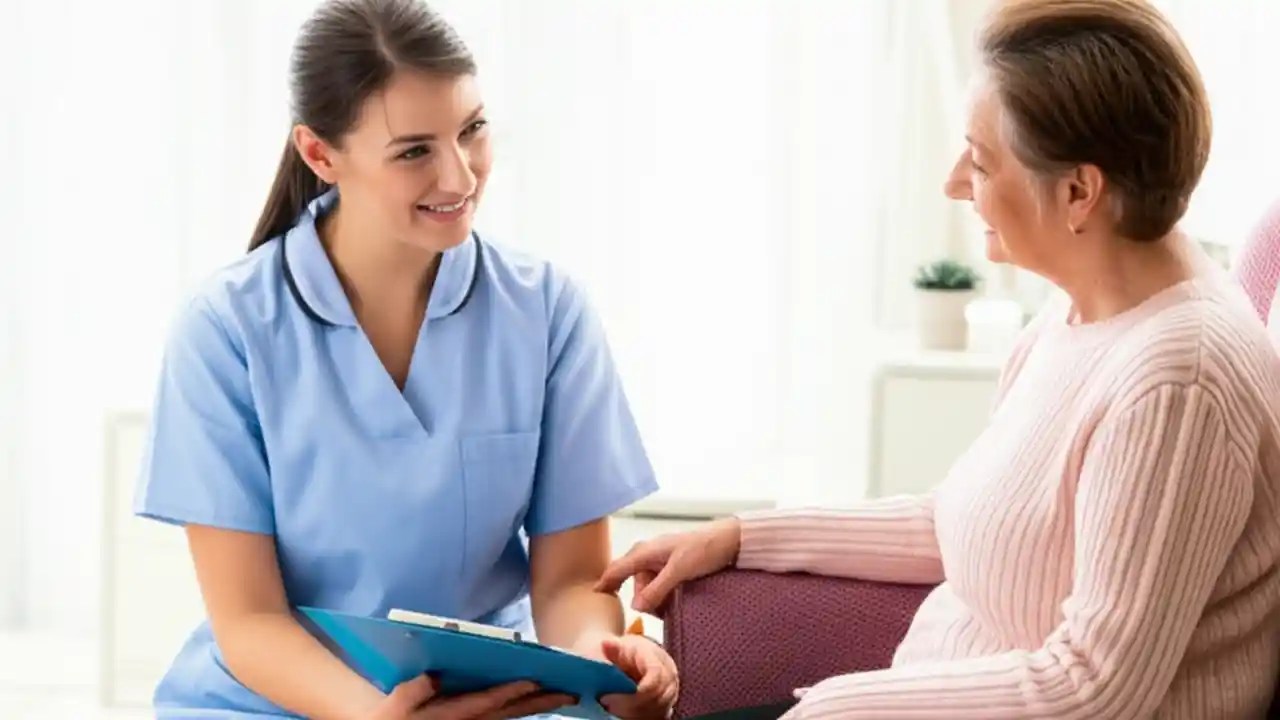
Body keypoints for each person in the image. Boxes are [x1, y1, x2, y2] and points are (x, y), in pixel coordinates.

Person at [598, 1, 1280, 718]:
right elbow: (964, 522)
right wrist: (739, 536)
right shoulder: (1079, 312)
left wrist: (837, 708)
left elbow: (1094, 688)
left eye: (981, 161)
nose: (955, 182)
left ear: (1079, 192)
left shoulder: (1178, 382)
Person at [133, 1, 677, 718]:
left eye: (472, 130)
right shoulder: (225, 328)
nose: (460, 178)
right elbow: (250, 622)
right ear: (321, 154)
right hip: (278, 702)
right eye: (415, 150)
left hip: (497, 701)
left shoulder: (546, 311)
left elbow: (570, 583)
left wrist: (602, 671)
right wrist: (377, 715)